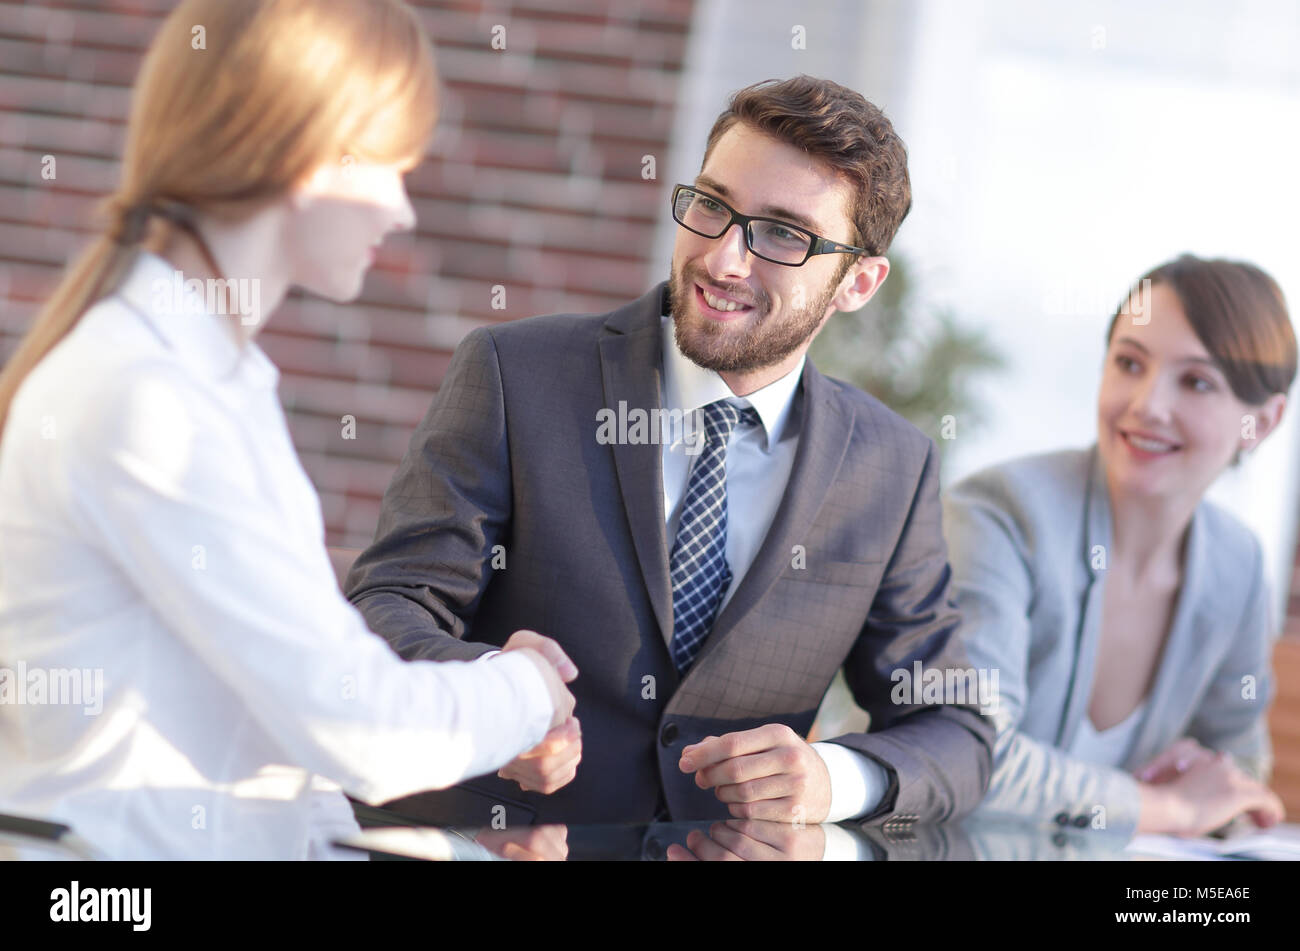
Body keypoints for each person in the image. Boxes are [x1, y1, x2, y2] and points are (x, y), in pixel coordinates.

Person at [345, 75, 994, 843]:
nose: (723, 259)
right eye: (713, 205)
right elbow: (385, 607)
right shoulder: (515, 374)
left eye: (783, 233)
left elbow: (953, 727)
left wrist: (828, 777)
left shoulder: (892, 465)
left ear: (857, 281)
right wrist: (493, 696)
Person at [0, 0, 576, 860]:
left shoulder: (201, 376)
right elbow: (361, 728)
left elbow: (269, 757)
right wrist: (528, 689)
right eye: (392, 166)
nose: (403, 211)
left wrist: (451, 857)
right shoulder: (153, 398)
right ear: (313, 154)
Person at [946, 254, 1292, 840]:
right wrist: (1171, 809)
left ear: (1259, 424)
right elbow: (970, 757)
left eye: (1197, 381)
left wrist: (1213, 789)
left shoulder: (1239, 565)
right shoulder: (1001, 513)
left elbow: (1240, 769)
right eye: (1130, 363)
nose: (1147, 404)